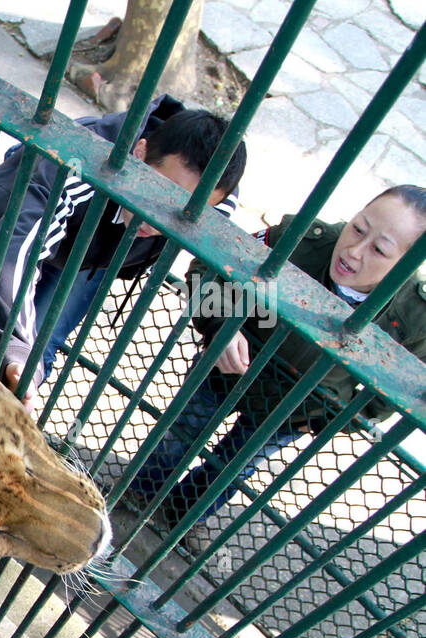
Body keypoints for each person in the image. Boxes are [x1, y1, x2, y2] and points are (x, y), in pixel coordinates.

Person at [124, 184, 426, 549]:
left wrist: (320, 417)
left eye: (380, 250)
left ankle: (184, 513)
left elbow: (390, 398)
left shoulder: (415, 317)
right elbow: (209, 262)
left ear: (406, 264)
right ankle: (139, 491)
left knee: (235, 468)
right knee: (180, 431)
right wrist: (222, 324)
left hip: (290, 412)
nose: (354, 251)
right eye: (359, 228)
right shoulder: (303, 238)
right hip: (224, 369)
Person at [0, 94, 248, 411]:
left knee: (37, 352)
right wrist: (16, 345)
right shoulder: (85, 158)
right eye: (159, 193)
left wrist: (222, 321)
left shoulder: (217, 201)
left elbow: (218, 261)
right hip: (12, 217)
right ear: (138, 154)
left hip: (89, 259)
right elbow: (17, 249)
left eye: (186, 211)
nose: (161, 220)